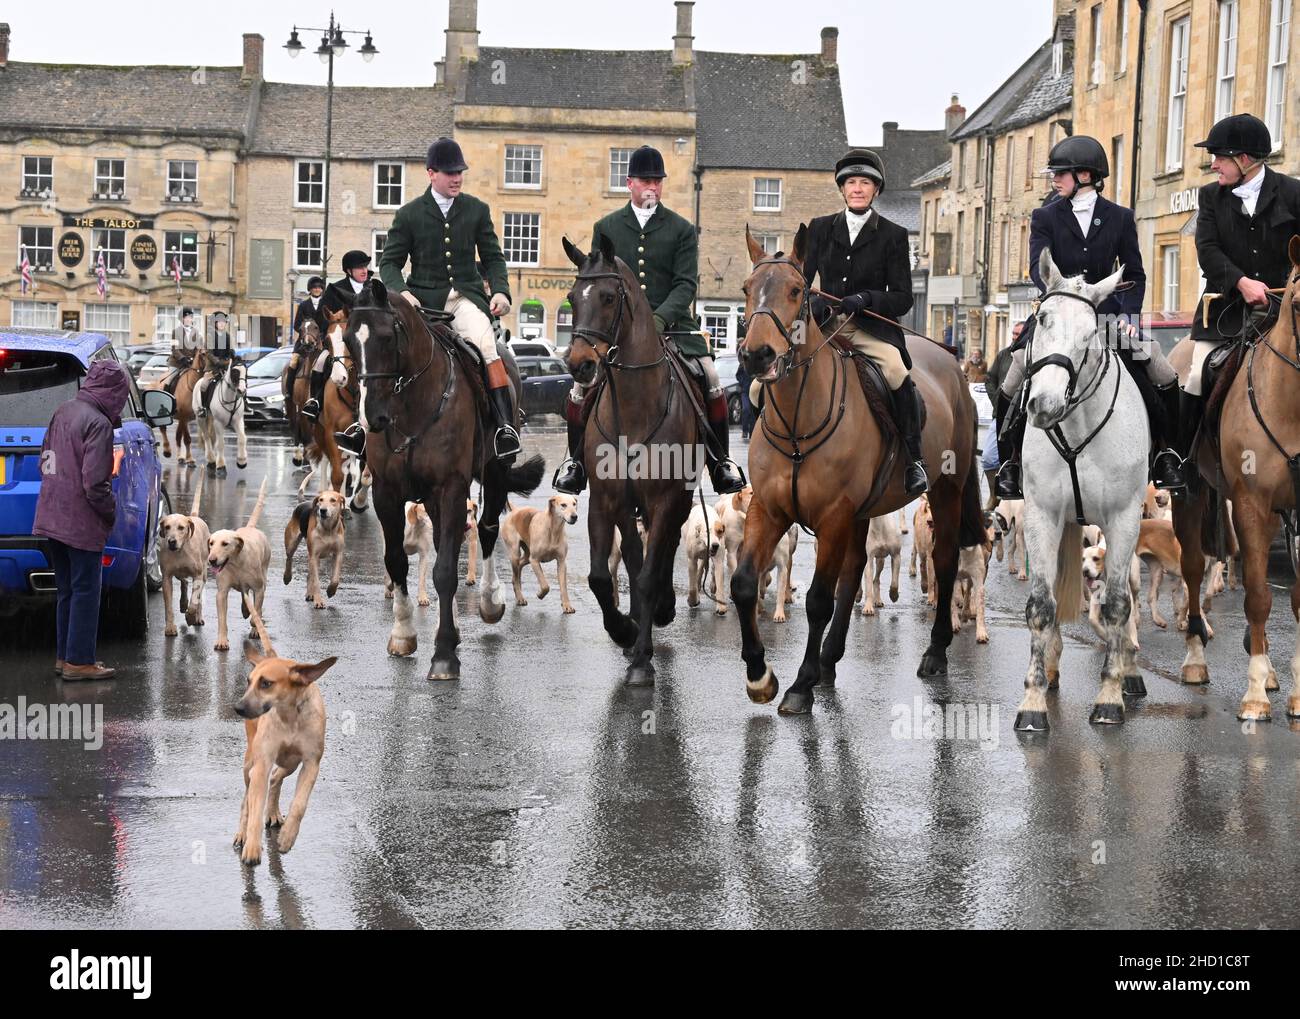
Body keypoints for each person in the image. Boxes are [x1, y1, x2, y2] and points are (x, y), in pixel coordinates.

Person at [993, 135, 1183, 498]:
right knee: (1016, 371)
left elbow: (1134, 275)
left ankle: (1166, 453)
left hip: (1106, 320)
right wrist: (1061, 290)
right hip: (1057, 315)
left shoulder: (1120, 218)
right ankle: (1011, 463)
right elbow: (1038, 267)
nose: (1054, 180)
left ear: (1085, 175)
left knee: (1158, 366)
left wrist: (1129, 314)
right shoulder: (1045, 216)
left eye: (1060, 174)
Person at [551, 145, 745, 495]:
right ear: (629, 183)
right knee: (580, 388)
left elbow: (686, 284)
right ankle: (576, 463)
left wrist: (657, 319)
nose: (651, 187)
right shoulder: (606, 226)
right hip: (618, 333)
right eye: (644, 181)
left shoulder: (682, 230)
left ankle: (720, 463)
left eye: (657, 181)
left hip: (673, 327)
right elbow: (597, 282)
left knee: (712, 377)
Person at [357, 137, 518, 461]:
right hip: (421, 302)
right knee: (379, 349)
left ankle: (503, 428)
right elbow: (389, 263)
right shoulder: (409, 214)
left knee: (487, 347)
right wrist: (402, 294)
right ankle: (361, 430)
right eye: (449, 172)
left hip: (464, 300)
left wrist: (500, 289)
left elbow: (493, 258)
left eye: (459, 172)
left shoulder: (476, 210)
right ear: (432, 173)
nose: (456, 177)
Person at [1171, 113, 1300, 477]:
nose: (1213, 165)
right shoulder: (1211, 197)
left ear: (1244, 160)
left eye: (1219, 158)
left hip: (1285, 312)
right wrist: (1241, 282)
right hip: (1226, 314)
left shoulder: (1293, 193)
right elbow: (1208, 249)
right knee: (1195, 375)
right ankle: (1183, 461)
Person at [804, 148, 928, 495]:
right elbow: (801, 284)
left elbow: (903, 296)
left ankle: (915, 459)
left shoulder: (893, 234)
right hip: (826, 328)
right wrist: (815, 305)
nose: (857, 188)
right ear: (842, 189)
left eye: (865, 183)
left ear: (876, 190)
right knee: (761, 384)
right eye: (851, 183)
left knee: (895, 372)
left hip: (870, 329)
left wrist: (867, 299)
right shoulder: (819, 228)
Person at [33, 360, 132, 680]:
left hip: (51, 514)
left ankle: (65, 657)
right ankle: (79, 662)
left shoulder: (63, 410)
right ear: (116, 392)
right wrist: (110, 511)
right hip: (81, 522)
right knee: (87, 590)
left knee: (67, 591)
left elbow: (44, 460)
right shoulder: (99, 424)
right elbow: (94, 483)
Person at [300, 251, 370, 425]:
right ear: (349, 271)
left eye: (365, 266)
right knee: (321, 362)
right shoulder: (334, 290)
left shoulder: (373, 288)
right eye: (359, 267)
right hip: (340, 343)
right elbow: (320, 318)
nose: (364, 270)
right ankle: (316, 402)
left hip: (367, 343)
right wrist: (329, 337)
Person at [195, 311, 234, 418]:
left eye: (224, 322)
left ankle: (243, 405)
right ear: (215, 323)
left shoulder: (227, 336)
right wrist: (217, 362)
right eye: (219, 322)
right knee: (204, 385)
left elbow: (230, 350)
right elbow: (208, 352)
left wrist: (232, 356)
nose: (222, 324)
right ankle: (203, 408)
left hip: (225, 367)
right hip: (213, 368)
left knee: (239, 381)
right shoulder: (211, 336)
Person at [165, 307, 199, 396]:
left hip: (191, 363)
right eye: (186, 317)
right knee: (170, 380)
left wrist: (194, 359)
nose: (188, 319)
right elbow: (174, 349)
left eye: (190, 317)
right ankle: (167, 398)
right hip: (177, 363)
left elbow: (197, 349)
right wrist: (182, 358)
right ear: (182, 319)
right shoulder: (175, 332)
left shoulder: (196, 332)